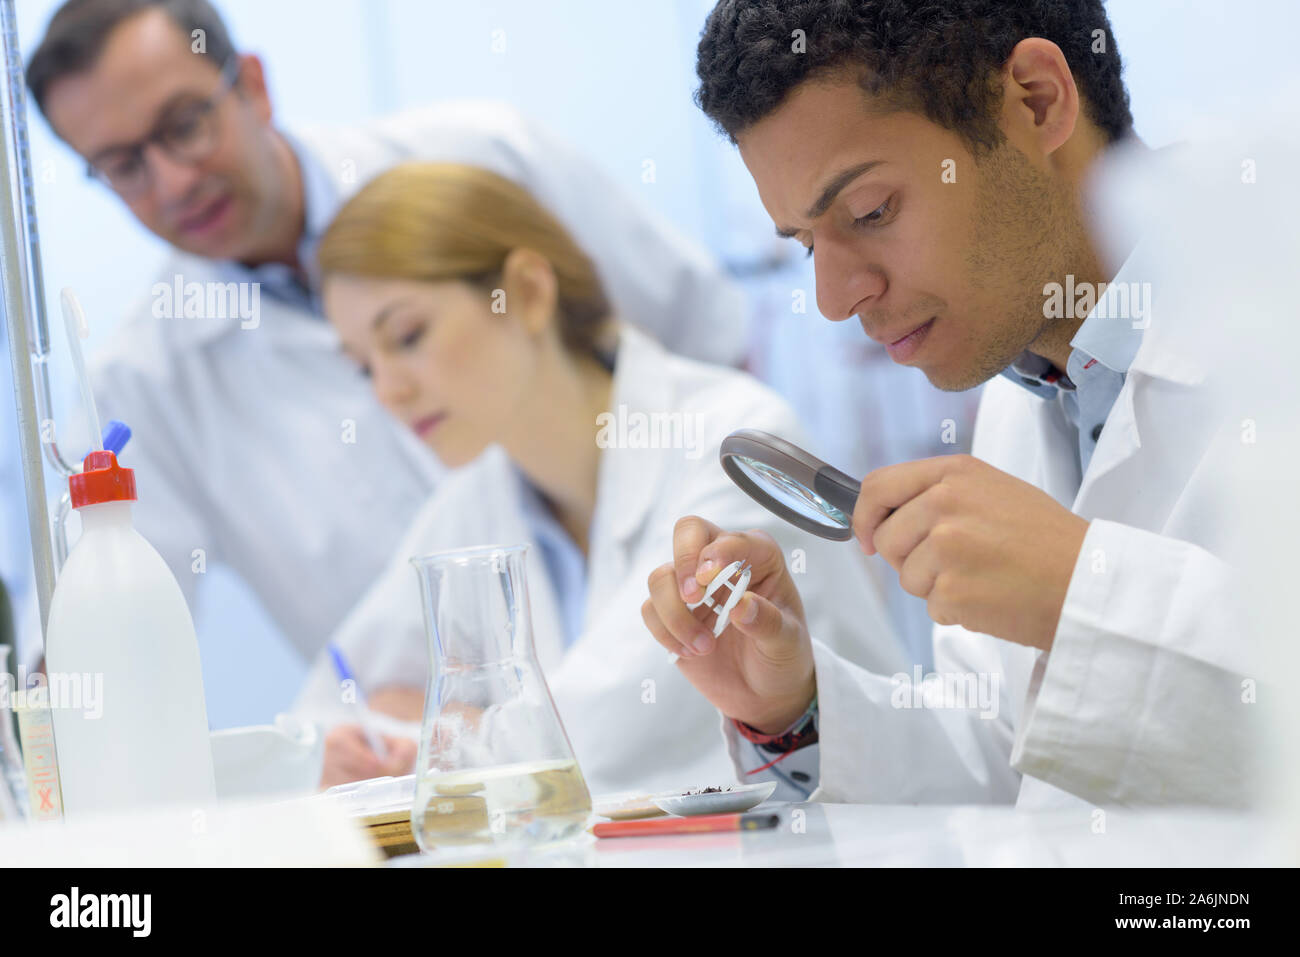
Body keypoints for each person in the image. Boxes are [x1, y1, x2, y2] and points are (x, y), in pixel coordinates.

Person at [642, 0, 1257, 807]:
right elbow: (1018, 770)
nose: (832, 298)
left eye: (870, 212)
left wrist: (1080, 589)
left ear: (1036, 101)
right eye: (804, 242)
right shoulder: (1026, 385)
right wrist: (793, 709)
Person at [23, 0, 746, 670]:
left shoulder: (485, 157)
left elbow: (712, 352)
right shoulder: (146, 384)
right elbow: (87, 635)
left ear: (251, 85)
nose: (173, 181)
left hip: (687, 656)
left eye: (185, 124)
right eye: (123, 166)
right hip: (427, 762)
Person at [291, 162, 906, 793]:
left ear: (527, 292)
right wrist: (391, 737)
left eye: (408, 335)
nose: (389, 390)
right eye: (365, 367)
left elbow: (598, 734)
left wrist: (445, 731)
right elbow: (329, 706)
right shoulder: (476, 500)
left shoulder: (727, 443)